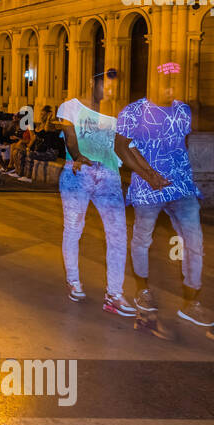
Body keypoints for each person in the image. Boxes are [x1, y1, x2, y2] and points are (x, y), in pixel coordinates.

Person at [116, 61, 214, 350]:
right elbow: (121, 147)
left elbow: (181, 143)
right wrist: (150, 175)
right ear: (152, 82)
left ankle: (191, 301)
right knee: (143, 239)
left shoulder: (183, 110)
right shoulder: (133, 112)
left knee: (195, 241)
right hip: (147, 187)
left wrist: (179, 174)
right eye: (166, 81)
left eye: (175, 81)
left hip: (181, 187)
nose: (171, 87)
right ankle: (143, 291)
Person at [57, 69, 170, 316]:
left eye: (112, 87)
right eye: (105, 84)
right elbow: (70, 137)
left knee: (118, 235)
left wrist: (151, 175)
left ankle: (114, 295)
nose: (109, 90)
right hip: (78, 175)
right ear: (92, 82)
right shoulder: (71, 107)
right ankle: (73, 280)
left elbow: (126, 148)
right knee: (74, 228)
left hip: (108, 178)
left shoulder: (118, 115)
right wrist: (77, 156)